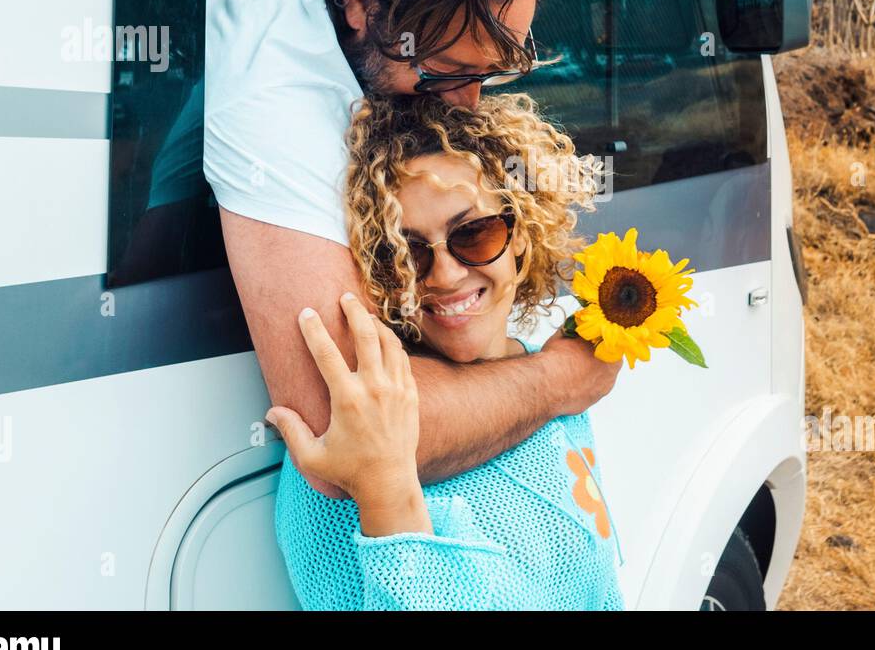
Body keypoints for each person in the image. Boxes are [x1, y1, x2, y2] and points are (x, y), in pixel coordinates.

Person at [203, 0, 622, 505]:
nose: (468, 105)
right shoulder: (269, 104)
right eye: (445, 73)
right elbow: (351, 438)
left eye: (493, 71)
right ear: (360, 6)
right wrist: (555, 381)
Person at [266, 93, 622, 609]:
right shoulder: (351, 445)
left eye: (474, 234)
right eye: (403, 253)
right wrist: (386, 492)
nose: (445, 275)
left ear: (520, 233)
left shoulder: (551, 381)